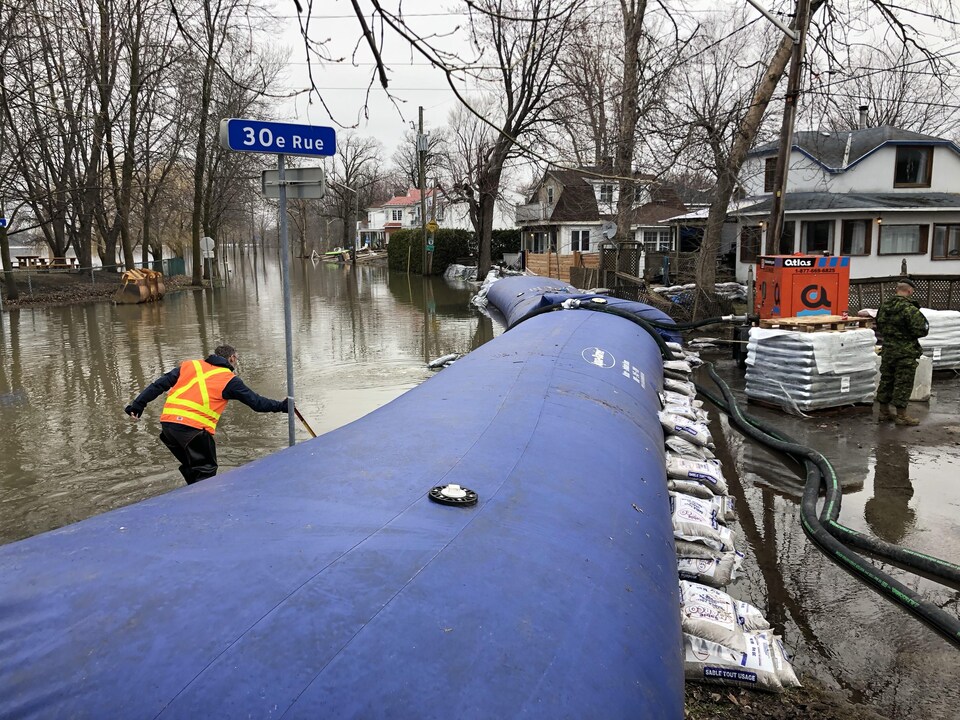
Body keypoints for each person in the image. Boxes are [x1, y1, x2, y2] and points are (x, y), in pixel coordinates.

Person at [124, 344, 288, 484]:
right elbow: (257, 403)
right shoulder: (229, 379)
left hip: (168, 427)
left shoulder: (190, 366)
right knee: (206, 472)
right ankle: (202, 510)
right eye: (236, 359)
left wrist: (138, 405)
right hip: (193, 430)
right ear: (231, 358)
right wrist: (282, 406)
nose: (235, 362)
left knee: (192, 467)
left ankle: (190, 500)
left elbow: (158, 385)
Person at [875, 278, 929, 426]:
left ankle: (883, 412)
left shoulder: (884, 307)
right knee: (903, 382)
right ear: (910, 291)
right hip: (905, 351)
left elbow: (879, 325)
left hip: (888, 349)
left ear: (896, 290)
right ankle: (901, 415)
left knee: (887, 379)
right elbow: (922, 329)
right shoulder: (909, 309)